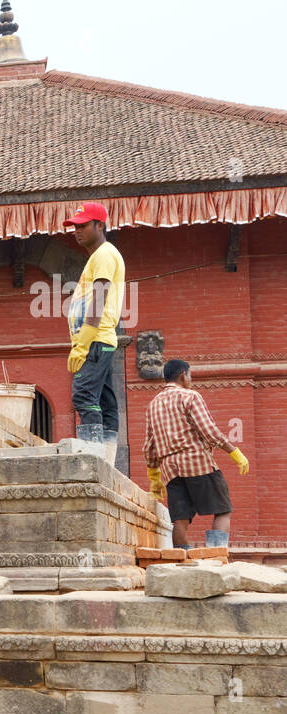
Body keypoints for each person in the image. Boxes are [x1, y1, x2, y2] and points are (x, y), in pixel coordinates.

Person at [143, 359, 250, 550]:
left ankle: (182, 563)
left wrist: (154, 477)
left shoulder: (153, 404)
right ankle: (214, 558)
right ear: (183, 375)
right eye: (190, 375)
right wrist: (234, 452)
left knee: (180, 519)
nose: (190, 380)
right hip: (196, 462)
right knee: (223, 510)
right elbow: (208, 430)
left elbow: (149, 446)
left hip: (170, 470)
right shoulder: (190, 396)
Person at [64, 201, 126, 465]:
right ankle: (108, 462)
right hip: (99, 340)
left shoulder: (103, 254)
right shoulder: (101, 255)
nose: (77, 231)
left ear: (100, 225)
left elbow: (99, 297)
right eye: (74, 226)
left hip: (95, 340)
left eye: (83, 225)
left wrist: (83, 344)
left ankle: (94, 460)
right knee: (103, 400)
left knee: (83, 396)